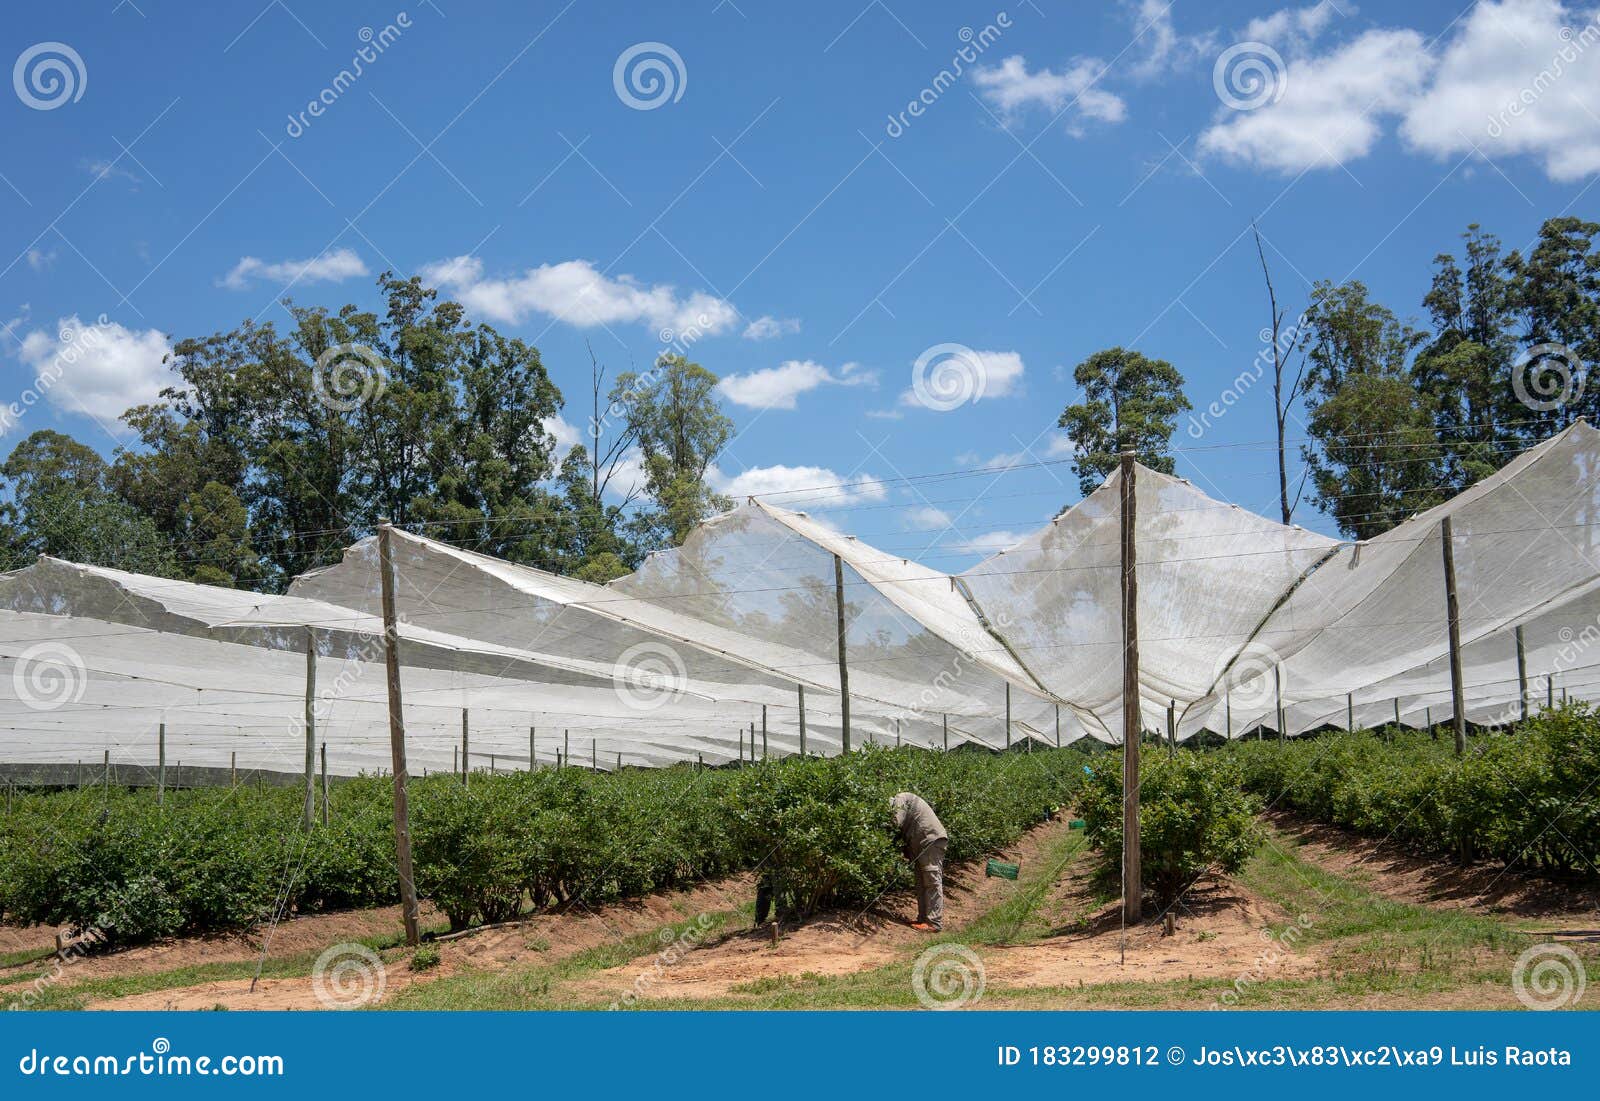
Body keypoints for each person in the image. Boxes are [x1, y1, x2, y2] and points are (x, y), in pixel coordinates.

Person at [890, 792, 948, 931]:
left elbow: (895, 822)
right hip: (922, 843)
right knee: (921, 882)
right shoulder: (902, 799)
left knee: (931, 880)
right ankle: (923, 919)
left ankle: (933, 922)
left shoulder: (900, 799)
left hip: (930, 841)